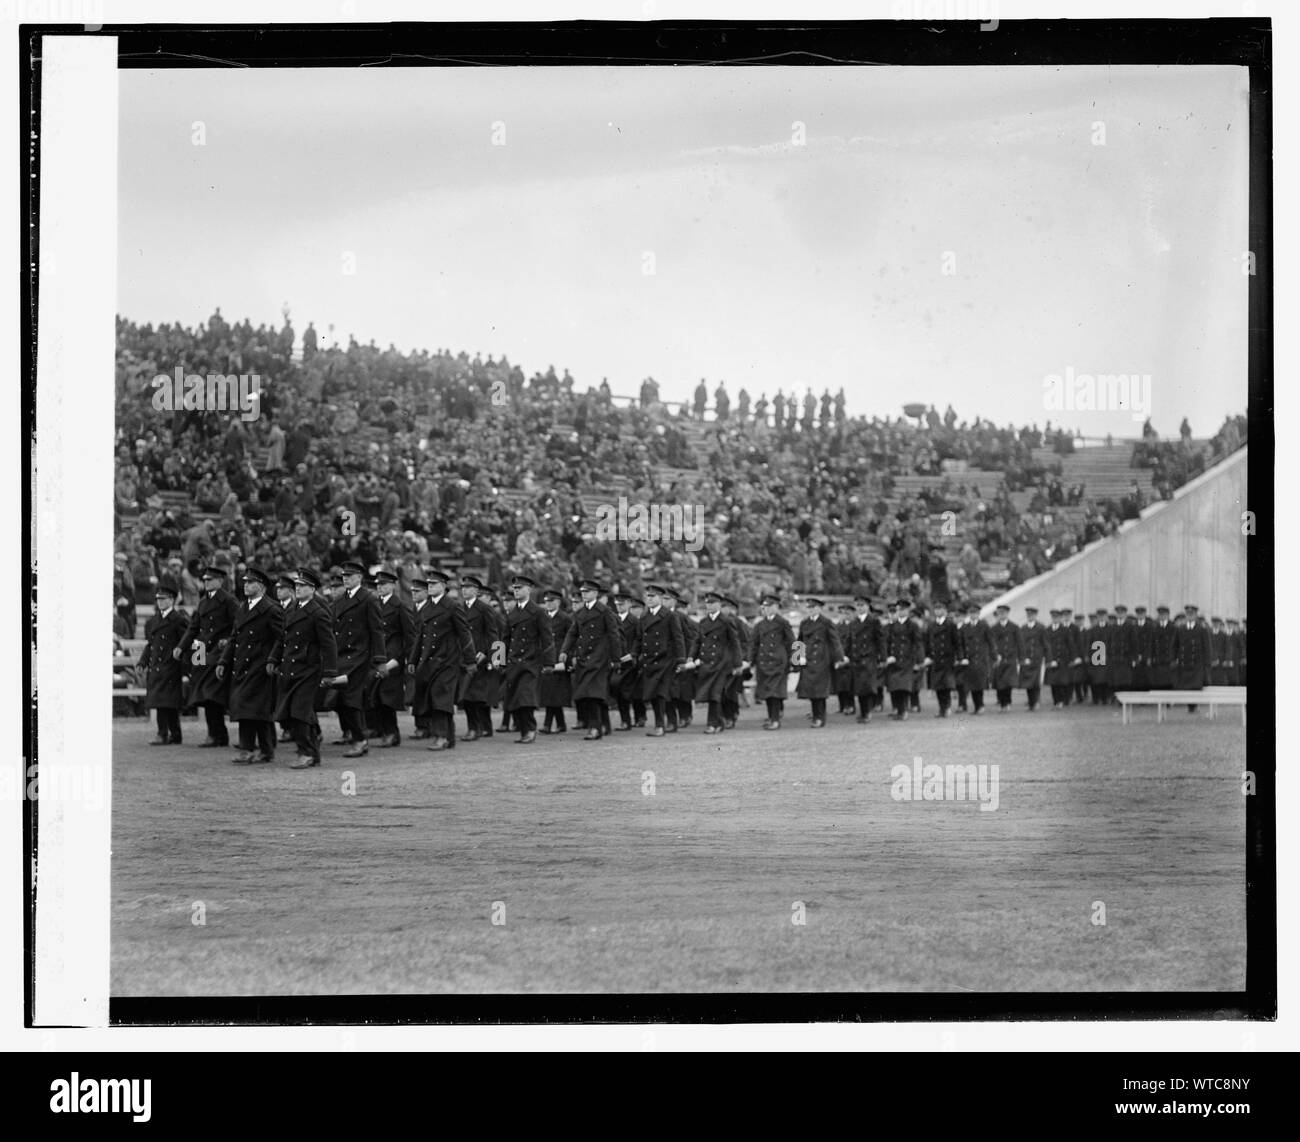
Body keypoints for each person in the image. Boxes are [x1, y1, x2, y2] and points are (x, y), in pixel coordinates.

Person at [271, 567, 341, 769]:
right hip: (290, 667)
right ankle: (311, 752)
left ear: (312, 589)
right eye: (297, 586)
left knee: (299, 712)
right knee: (293, 713)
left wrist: (330, 672)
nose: (298, 589)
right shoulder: (291, 610)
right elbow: (283, 639)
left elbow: (329, 644)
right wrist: (273, 659)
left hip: (308, 669)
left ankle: (307, 752)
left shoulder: (318, 613)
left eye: (302, 586)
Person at [217, 566, 283, 764]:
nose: (246, 586)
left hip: (261, 666)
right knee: (251, 709)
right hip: (242, 665)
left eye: (250, 582)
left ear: (261, 587)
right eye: (245, 582)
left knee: (251, 708)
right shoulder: (243, 608)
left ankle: (248, 749)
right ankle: (265, 749)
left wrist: (273, 659)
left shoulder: (271, 609)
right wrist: (223, 661)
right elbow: (234, 637)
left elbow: (281, 638)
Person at [409, 568, 477, 751]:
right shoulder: (427, 607)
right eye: (428, 584)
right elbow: (420, 637)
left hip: (447, 661)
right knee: (436, 699)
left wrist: (480, 661)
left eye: (434, 584)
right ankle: (448, 736)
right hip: (429, 661)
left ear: (444, 586)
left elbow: (466, 634)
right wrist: (412, 660)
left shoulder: (453, 606)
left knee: (441, 698)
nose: (430, 587)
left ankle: (442, 736)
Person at [173, 565, 239, 748]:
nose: (206, 582)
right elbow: (193, 627)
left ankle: (217, 734)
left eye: (210, 580)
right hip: (200, 649)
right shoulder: (203, 602)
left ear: (220, 581)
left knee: (212, 693)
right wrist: (181, 646)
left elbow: (238, 624)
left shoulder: (228, 600)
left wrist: (228, 640)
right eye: (205, 580)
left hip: (219, 650)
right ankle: (216, 733)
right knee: (201, 693)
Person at [558, 579, 627, 741]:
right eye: (582, 592)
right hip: (584, 658)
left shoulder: (604, 611)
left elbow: (614, 635)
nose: (584, 595)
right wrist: (564, 651)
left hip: (599, 658)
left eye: (587, 592)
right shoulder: (580, 613)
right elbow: (572, 633)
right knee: (590, 693)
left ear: (596, 593)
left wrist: (616, 658)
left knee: (593, 693)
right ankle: (603, 724)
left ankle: (595, 727)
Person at [331, 560, 386, 756]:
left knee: (350, 699)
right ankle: (356, 736)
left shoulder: (368, 599)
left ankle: (360, 740)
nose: (346, 579)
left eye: (350, 576)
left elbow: (377, 631)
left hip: (360, 658)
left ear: (359, 578)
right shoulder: (339, 600)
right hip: (342, 656)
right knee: (339, 699)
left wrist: (380, 660)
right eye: (344, 576)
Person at [502, 574, 556, 744]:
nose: (516, 591)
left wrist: (549, 663)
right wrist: (498, 660)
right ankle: (524, 730)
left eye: (519, 588)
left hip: (531, 661)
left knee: (525, 697)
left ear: (529, 590)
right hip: (513, 661)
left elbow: (548, 639)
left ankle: (530, 729)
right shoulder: (512, 613)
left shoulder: (538, 612)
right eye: (515, 588)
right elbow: (504, 638)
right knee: (515, 699)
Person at [140, 580, 188, 746]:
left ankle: (170, 734)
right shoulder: (154, 621)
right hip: (157, 667)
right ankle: (167, 733)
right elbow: (150, 644)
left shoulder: (178, 620)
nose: (160, 602)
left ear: (172, 600)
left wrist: (189, 668)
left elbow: (187, 643)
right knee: (161, 702)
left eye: (163, 599)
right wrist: (143, 662)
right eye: (158, 599)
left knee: (168, 703)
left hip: (171, 666)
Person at [687, 590, 743, 734]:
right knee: (711, 694)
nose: (709, 606)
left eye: (712, 603)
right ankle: (719, 722)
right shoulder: (704, 622)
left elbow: (735, 643)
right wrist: (691, 657)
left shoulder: (726, 621)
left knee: (715, 694)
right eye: (707, 603)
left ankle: (713, 723)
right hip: (706, 663)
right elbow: (697, 641)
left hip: (721, 663)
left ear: (719, 604)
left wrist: (737, 664)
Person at [370, 568, 415, 747]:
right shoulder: (375, 604)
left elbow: (409, 635)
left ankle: (392, 732)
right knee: (376, 697)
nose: (380, 587)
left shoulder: (400, 606)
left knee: (387, 697)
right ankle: (383, 730)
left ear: (393, 586)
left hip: (393, 657)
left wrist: (405, 658)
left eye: (383, 584)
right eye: (378, 585)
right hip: (377, 656)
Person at [457, 574, 503, 742]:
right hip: (463, 656)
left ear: (476, 591)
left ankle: (476, 728)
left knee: (475, 695)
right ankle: (475, 727)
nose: (464, 591)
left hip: (480, 658)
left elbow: (493, 634)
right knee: (466, 695)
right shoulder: (459, 608)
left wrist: (495, 659)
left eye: (468, 588)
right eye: (463, 588)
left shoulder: (485, 609)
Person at [639, 584, 686, 736]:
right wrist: (635, 654)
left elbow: (678, 638)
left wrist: (681, 659)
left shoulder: (670, 615)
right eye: (647, 596)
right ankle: (662, 723)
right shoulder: (644, 616)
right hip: (649, 660)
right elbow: (640, 638)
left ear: (660, 598)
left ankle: (661, 725)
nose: (649, 599)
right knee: (653, 694)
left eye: (653, 596)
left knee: (661, 693)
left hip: (666, 660)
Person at [795, 597, 846, 728]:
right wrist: (798, 657)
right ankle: (815, 714)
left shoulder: (826, 622)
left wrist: (839, 657)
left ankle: (820, 717)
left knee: (820, 692)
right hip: (808, 660)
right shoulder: (804, 623)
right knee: (811, 691)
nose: (811, 610)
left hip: (822, 660)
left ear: (819, 608)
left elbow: (835, 641)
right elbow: (799, 641)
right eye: (809, 607)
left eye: (813, 607)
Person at [748, 593, 793, 730]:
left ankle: (775, 720)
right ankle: (772, 717)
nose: (766, 609)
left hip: (778, 663)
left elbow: (794, 642)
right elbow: (754, 645)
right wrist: (750, 661)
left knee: (775, 692)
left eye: (769, 606)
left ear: (776, 607)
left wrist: (797, 663)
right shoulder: (760, 625)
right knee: (767, 693)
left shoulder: (783, 623)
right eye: (764, 607)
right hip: (763, 663)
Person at [539, 588, 573, 734]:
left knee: (554, 693)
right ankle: (560, 724)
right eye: (546, 601)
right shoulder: (543, 616)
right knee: (550, 694)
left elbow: (571, 639)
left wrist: (568, 659)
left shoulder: (565, 618)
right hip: (546, 658)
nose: (548, 603)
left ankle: (548, 724)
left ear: (558, 602)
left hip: (559, 658)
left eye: (551, 601)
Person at [610, 592, 645, 730]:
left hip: (632, 661)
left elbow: (640, 640)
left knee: (630, 691)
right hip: (617, 660)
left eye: (622, 604)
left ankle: (638, 717)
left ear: (629, 604)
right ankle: (626, 719)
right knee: (618, 690)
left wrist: (634, 656)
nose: (619, 606)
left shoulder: (635, 621)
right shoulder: (612, 619)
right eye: (617, 604)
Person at [846, 596, 883, 723]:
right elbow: (849, 641)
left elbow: (880, 640)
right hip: (856, 658)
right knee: (859, 689)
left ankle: (867, 712)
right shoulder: (853, 623)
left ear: (867, 606)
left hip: (869, 658)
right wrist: (845, 656)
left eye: (862, 605)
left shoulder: (874, 621)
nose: (860, 608)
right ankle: (863, 712)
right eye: (858, 605)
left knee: (867, 687)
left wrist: (882, 657)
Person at [883, 597, 922, 720]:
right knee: (894, 687)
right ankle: (898, 709)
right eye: (899, 609)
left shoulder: (912, 625)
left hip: (906, 660)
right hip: (893, 661)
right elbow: (886, 643)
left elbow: (917, 644)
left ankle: (903, 710)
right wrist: (887, 657)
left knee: (904, 687)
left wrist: (917, 660)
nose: (901, 611)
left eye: (903, 609)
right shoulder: (891, 625)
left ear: (908, 610)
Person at [923, 599, 960, 717]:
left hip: (947, 659)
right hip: (935, 659)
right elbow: (927, 643)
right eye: (936, 609)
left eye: (940, 609)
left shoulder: (951, 625)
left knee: (947, 686)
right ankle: (941, 708)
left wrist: (959, 657)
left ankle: (947, 707)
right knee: (938, 687)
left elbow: (957, 642)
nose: (938, 611)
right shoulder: (931, 625)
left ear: (945, 611)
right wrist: (928, 656)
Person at [958, 602, 993, 715]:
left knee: (980, 684)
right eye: (971, 613)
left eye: (975, 613)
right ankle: (976, 706)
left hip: (981, 659)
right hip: (969, 660)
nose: (973, 615)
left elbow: (990, 641)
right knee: (971, 684)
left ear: (979, 614)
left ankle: (981, 705)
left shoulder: (984, 625)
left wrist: (994, 655)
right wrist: (962, 657)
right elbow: (961, 644)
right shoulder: (965, 627)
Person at [988, 604, 1019, 712]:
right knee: (999, 683)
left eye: (1003, 613)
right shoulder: (993, 628)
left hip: (1010, 659)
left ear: (1007, 613)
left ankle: (1007, 702)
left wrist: (1020, 657)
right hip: (998, 660)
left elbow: (1019, 643)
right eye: (1000, 613)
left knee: (1008, 682)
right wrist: (994, 656)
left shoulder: (1014, 627)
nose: (1001, 615)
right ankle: (1002, 703)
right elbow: (991, 644)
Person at [1017, 605, 1047, 712]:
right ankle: (1031, 703)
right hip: (1026, 659)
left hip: (1037, 658)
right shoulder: (1023, 628)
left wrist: (1048, 657)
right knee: (1027, 683)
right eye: (1028, 615)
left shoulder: (1041, 627)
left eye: (1032, 615)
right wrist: (1022, 657)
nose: (1030, 616)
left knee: (1036, 682)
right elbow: (1020, 644)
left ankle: (1035, 702)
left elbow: (1045, 643)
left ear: (1035, 615)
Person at [833, 603, 857, 715]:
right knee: (840, 684)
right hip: (839, 658)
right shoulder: (837, 627)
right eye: (843, 613)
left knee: (849, 685)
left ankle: (850, 706)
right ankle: (842, 706)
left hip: (850, 658)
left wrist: (847, 656)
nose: (845, 615)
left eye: (847, 613)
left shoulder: (854, 626)